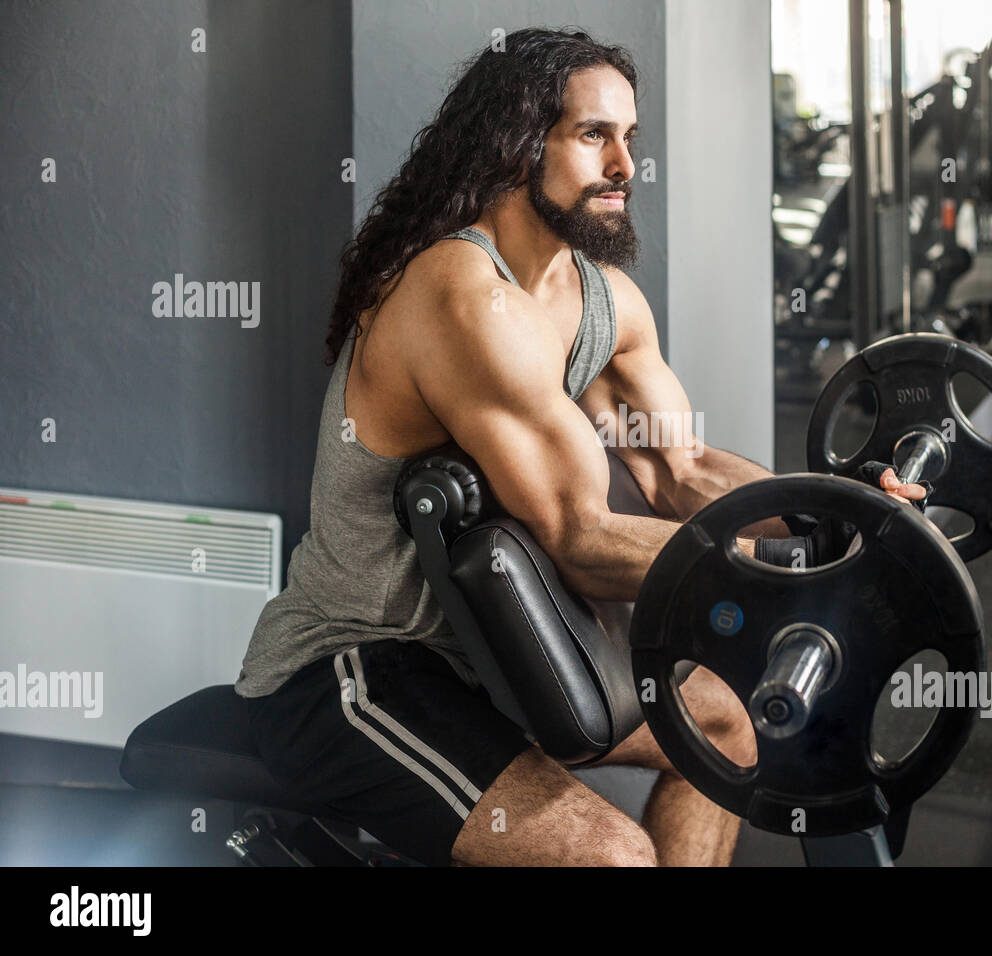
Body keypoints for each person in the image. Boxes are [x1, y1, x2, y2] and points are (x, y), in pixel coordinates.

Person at [235, 27, 926, 867]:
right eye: (593, 135)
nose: (625, 166)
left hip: (490, 653)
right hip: (356, 670)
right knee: (612, 857)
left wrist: (835, 512)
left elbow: (683, 469)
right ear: (516, 144)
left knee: (730, 727)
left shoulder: (603, 301)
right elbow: (579, 538)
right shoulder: (463, 296)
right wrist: (780, 566)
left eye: (629, 139)